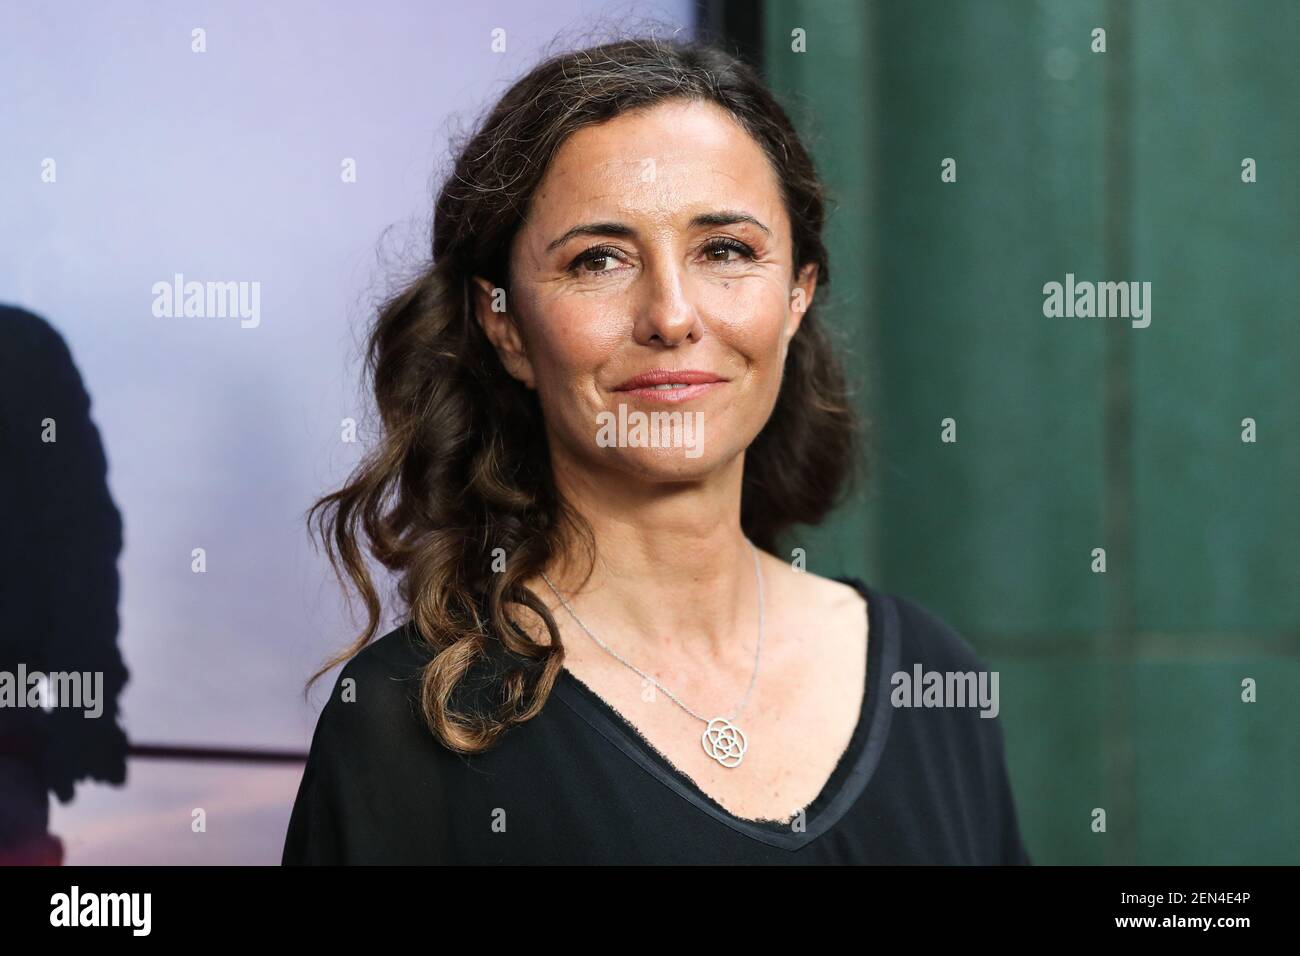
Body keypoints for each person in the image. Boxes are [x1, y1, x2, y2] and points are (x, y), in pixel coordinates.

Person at [282, 36, 1031, 864]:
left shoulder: (933, 682)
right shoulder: (406, 722)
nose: (671, 316)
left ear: (796, 296)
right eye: (598, 260)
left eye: (725, 251)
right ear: (507, 326)